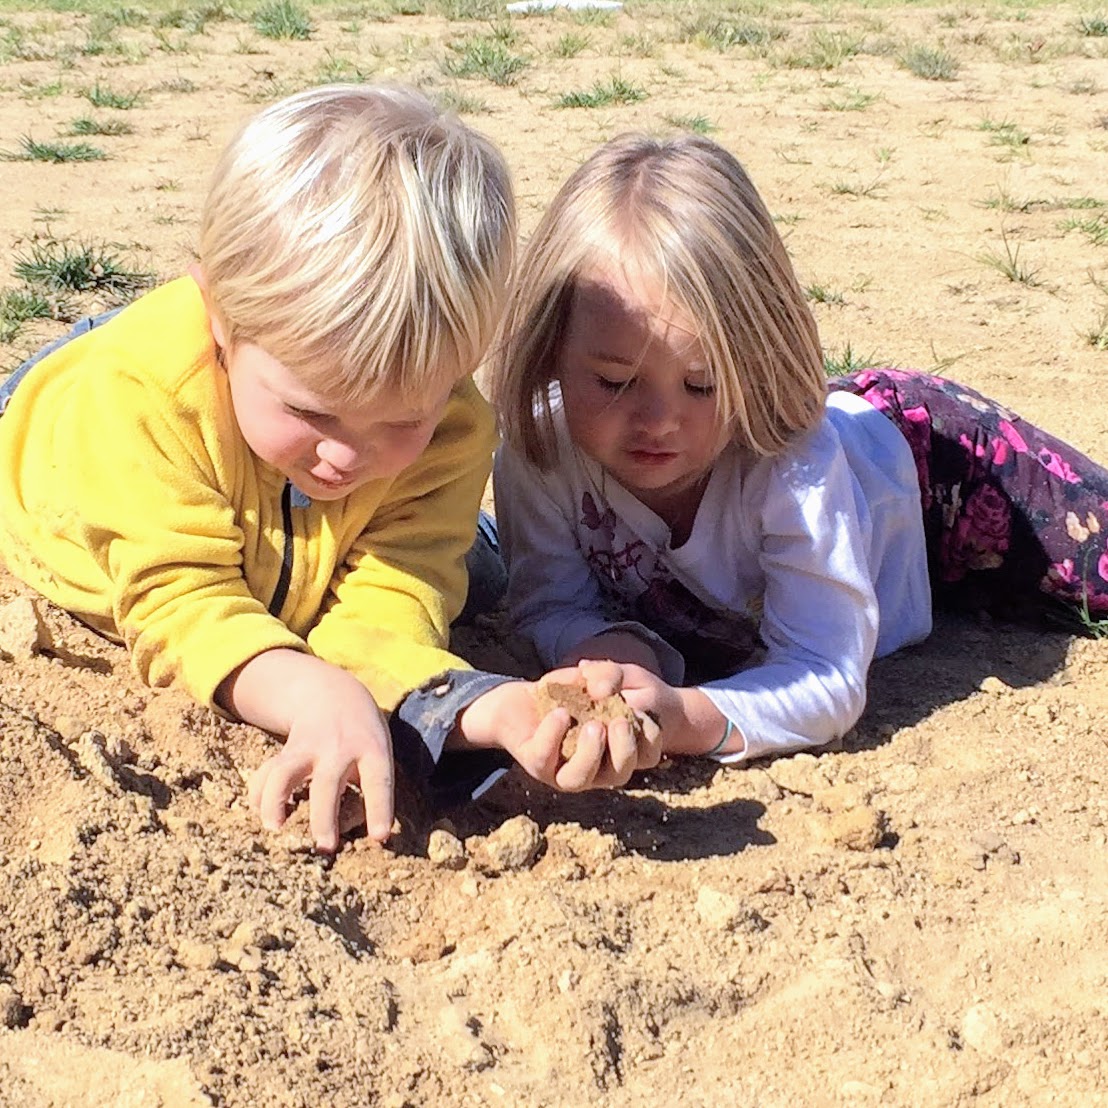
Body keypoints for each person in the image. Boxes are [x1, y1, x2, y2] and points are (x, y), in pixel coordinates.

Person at [0, 84, 657, 855]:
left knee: (471, 574)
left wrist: (485, 707)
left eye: (401, 417)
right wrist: (313, 690)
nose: (347, 454)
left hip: (288, 525)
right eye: (311, 413)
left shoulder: (448, 426)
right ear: (220, 317)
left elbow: (386, 605)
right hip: (64, 448)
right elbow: (180, 606)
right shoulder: (139, 399)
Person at [489, 131, 1108, 766]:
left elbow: (826, 676)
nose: (658, 420)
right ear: (550, 348)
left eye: (703, 383)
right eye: (615, 382)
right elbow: (549, 603)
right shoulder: (542, 451)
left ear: (762, 362)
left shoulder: (793, 464)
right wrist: (610, 654)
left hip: (940, 479)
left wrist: (684, 717)